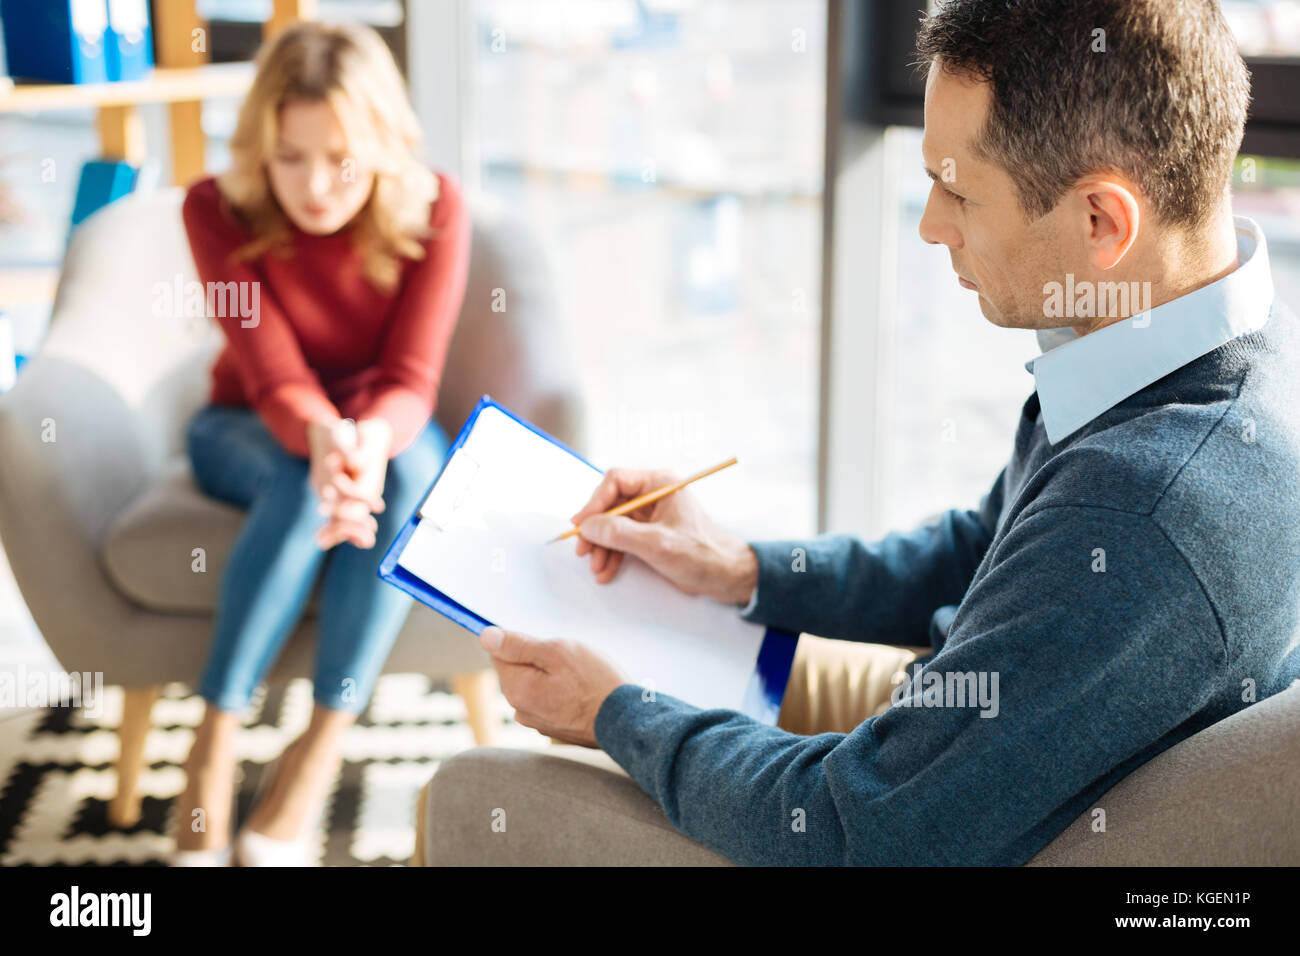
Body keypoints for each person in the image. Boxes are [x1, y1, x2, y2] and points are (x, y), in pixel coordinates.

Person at [445, 0, 1300, 865]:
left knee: (475, 792)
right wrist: (740, 567)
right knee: (668, 636)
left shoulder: (1142, 510)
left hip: (895, 805)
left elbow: (858, 825)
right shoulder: (1167, 347)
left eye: (958, 189)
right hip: (949, 726)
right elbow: (985, 549)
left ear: (1102, 222)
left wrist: (612, 714)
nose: (931, 224)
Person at [171, 21, 470, 865]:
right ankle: (214, 740)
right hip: (249, 426)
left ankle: (322, 741)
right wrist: (323, 437)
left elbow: (412, 376)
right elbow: (268, 371)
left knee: (415, 475)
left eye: (338, 155)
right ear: (262, 147)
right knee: (307, 480)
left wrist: (364, 440)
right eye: (289, 156)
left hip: (385, 425)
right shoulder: (213, 209)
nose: (313, 185)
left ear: (380, 141)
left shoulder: (437, 205)